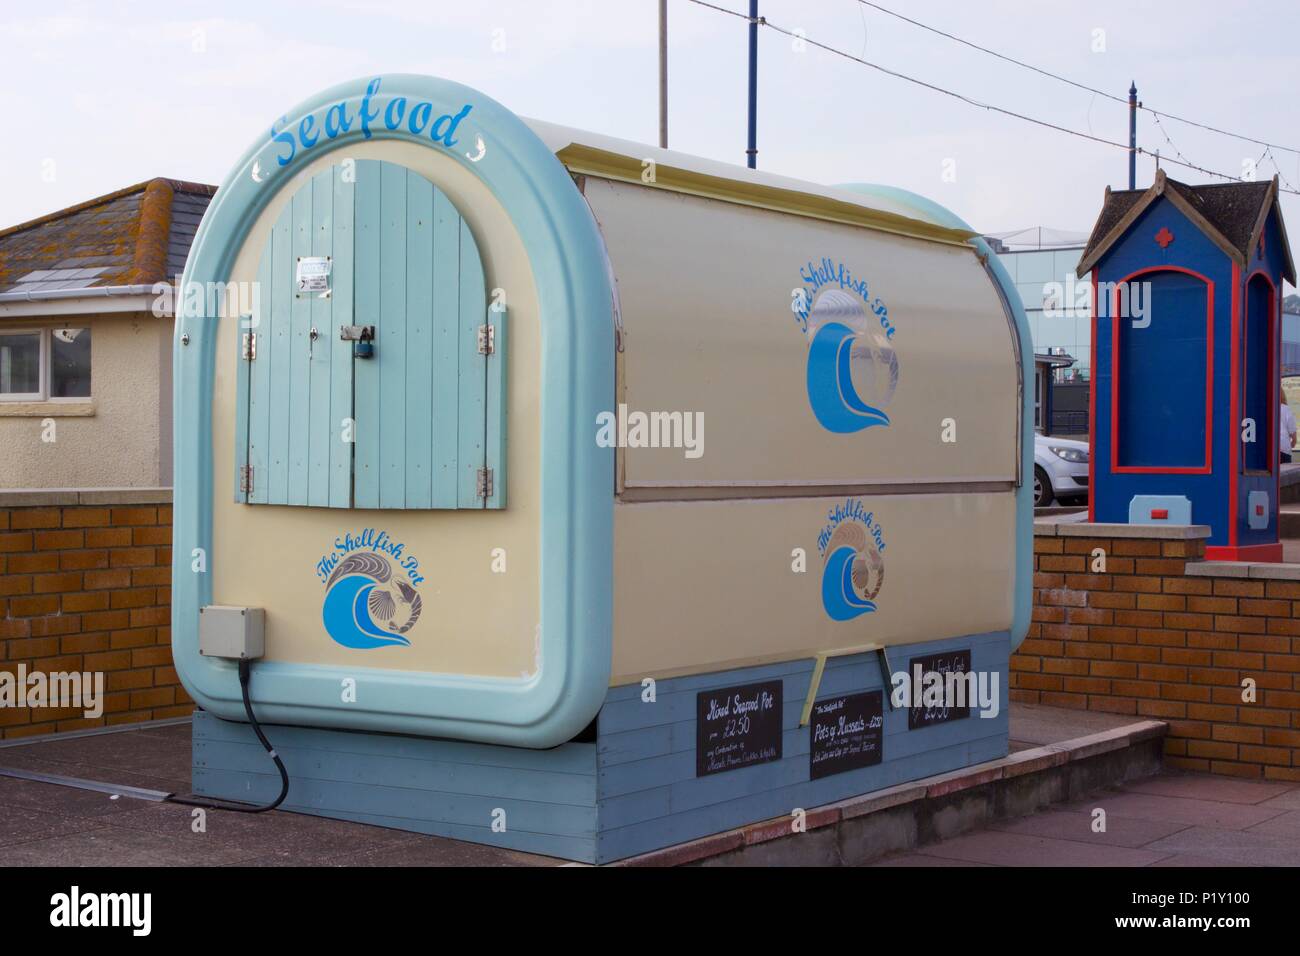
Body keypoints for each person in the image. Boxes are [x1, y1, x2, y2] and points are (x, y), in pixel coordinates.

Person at [1282, 394, 1297, 464]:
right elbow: (1292, 432)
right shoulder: (1286, 409)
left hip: (1267, 450)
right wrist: (1293, 442)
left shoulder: (1264, 407)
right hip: (1283, 450)